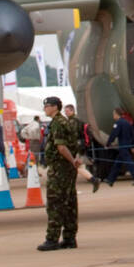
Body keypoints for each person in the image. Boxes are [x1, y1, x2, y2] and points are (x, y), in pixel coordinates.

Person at [37, 97, 80, 251]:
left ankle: (52, 239)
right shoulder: (66, 122)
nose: (45, 109)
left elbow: (61, 147)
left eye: (47, 106)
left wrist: (71, 161)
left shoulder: (57, 123)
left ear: (55, 107)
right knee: (69, 203)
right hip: (66, 169)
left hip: (59, 168)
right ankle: (69, 238)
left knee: (55, 203)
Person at [98, 108, 134, 189]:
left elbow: (113, 134)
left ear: (116, 114)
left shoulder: (118, 123)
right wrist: (133, 146)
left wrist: (107, 144)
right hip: (127, 146)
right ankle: (110, 180)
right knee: (117, 163)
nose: (113, 116)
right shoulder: (128, 123)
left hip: (123, 146)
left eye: (113, 114)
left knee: (129, 163)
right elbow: (133, 135)